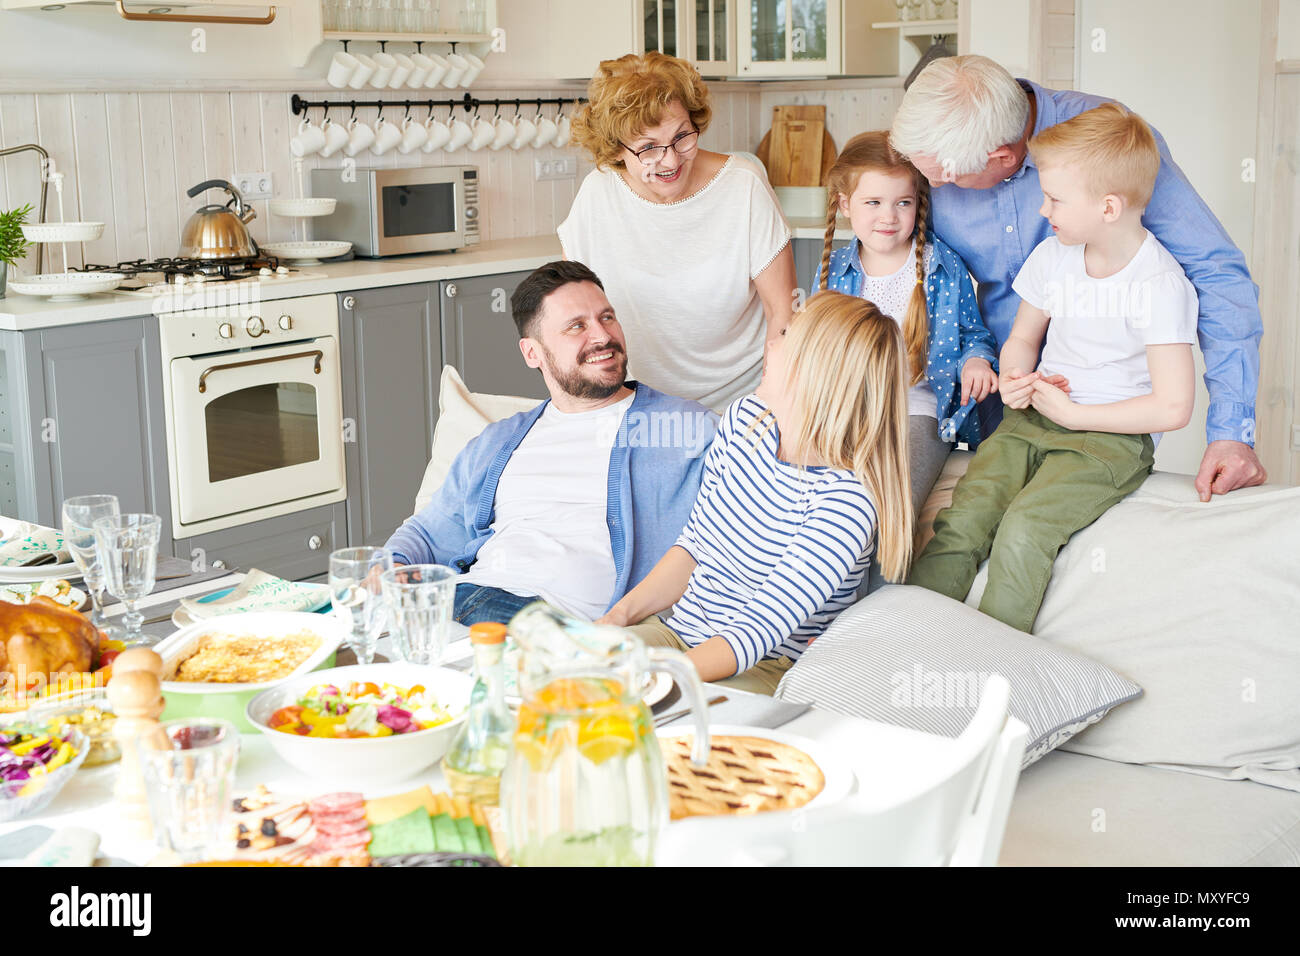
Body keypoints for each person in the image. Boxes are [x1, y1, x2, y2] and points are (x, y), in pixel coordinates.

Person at [889, 54, 1266, 500]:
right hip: (1006, 395)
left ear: (1003, 157)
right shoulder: (936, 161)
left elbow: (1215, 271)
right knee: (977, 521)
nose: (934, 187)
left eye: (946, 179)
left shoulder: (1105, 141)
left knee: (1055, 528)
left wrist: (1231, 430)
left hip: (1106, 409)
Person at [909, 103, 1198, 633]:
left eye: (1055, 199)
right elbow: (1021, 339)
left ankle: (994, 667)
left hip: (1106, 440)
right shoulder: (1054, 258)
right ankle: (910, 640)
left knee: (1023, 528)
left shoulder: (1158, 286)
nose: (1043, 210)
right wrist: (1016, 378)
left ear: (1109, 206)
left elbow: (1173, 406)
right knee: (965, 519)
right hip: (1033, 418)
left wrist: (1073, 413)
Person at [597, 291, 913, 695]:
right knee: (561, 674)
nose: (771, 343)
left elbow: (756, 632)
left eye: (786, 336)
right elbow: (695, 546)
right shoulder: (745, 421)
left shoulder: (847, 501)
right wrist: (617, 618)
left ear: (815, 372)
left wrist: (650, 678)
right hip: (678, 634)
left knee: (634, 718)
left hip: (763, 665)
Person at [384, 260, 718, 627]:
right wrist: (389, 567)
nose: (601, 336)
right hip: (459, 601)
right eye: (577, 326)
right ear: (533, 353)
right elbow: (427, 534)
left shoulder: (683, 428)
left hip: (557, 624)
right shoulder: (496, 442)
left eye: (607, 318)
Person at [558, 51, 798, 412]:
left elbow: (784, 313)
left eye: (682, 137)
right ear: (616, 150)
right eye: (648, 148)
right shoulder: (598, 194)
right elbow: (569, 311)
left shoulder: (742, 187)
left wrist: (769, 404)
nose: (669, 160)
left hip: (742, 403)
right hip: (637, 406)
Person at [813, 130, 1000, 517]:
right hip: (849, 406)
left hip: (918, 409)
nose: (889, 216)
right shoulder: (834, 273)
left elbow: (974, 335)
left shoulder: (942, 268)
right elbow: (812, 345)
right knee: (834, 502)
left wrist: (976, 361)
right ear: (845, 204)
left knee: (891, 505)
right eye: (874, 202)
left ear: (919, 204)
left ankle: (886, 577)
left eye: (903, 202)